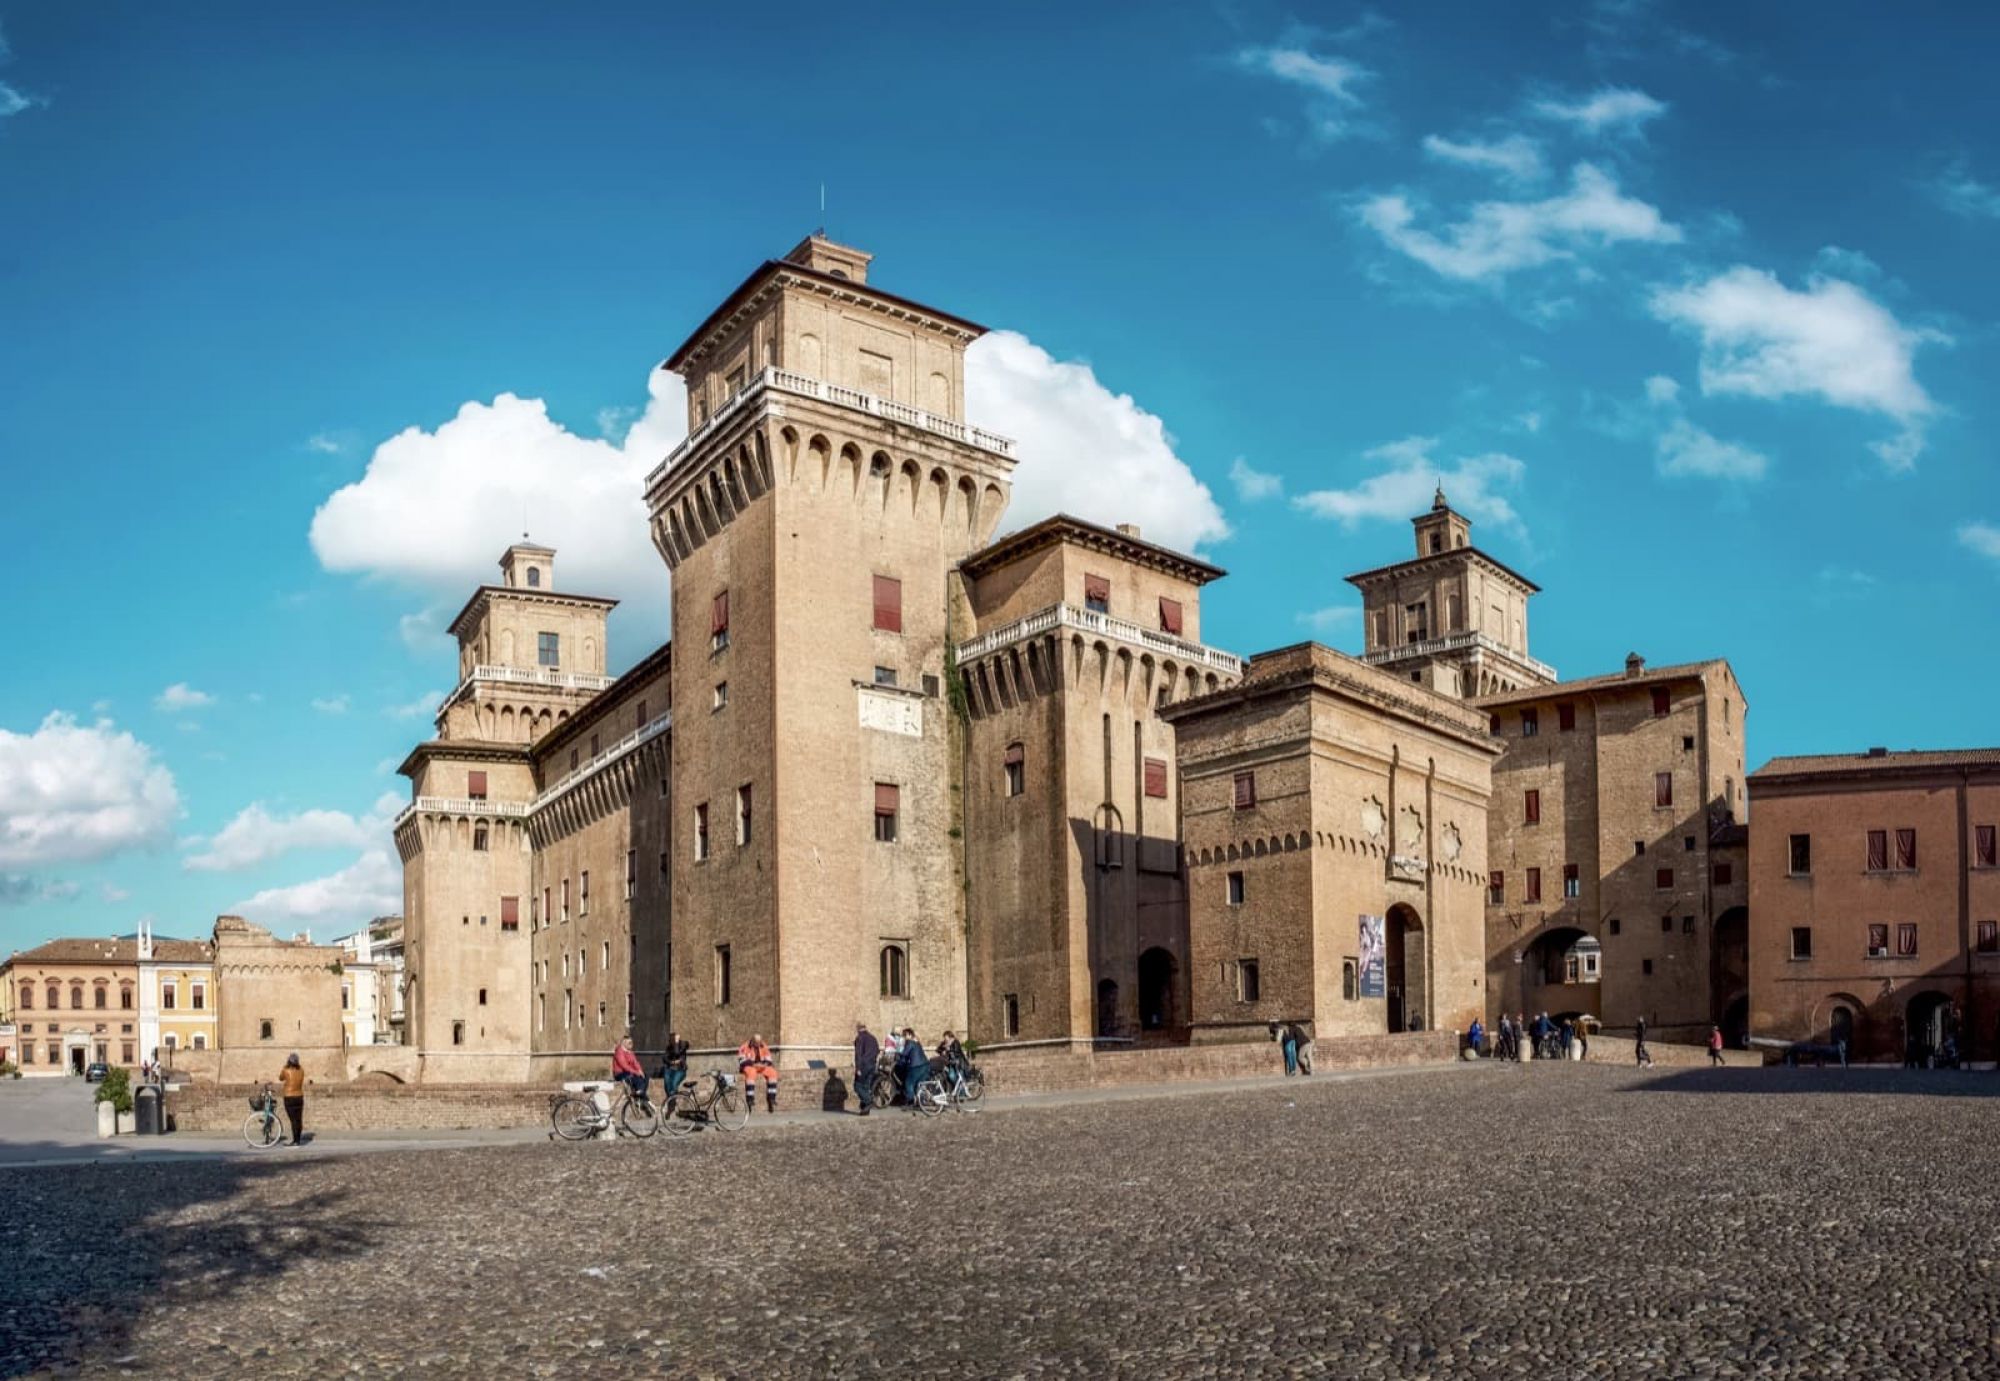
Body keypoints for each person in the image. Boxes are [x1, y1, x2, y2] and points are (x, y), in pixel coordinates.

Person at [738, 1034, 778, 1114]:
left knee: (773, 1073)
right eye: (756, 1042)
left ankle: (772, 1097)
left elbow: (769, 1059)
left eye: (759, 1042)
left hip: (761, 1066)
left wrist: (764, 1064)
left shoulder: (763, 1046)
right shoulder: (744, 1047)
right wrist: (753, 1064)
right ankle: (750, 1098)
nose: (758, 1044)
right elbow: (741, 1061)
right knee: (751, 1073)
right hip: (749, 1066)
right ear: (752, 1041)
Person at [897, 1027, 930, 1111]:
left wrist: (898, 1055)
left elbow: (905, 1053)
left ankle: (911, 1102)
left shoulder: (909, 1042)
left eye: (904, 1035)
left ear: (909, 1035)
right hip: (925, 1065)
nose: (904, 1038)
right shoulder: (917, 1042)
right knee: (919, 1084)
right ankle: (921, 1102)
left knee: (909, 1083)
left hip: (916, 1066)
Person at [278, 1052, 307, 1147]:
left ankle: (295, 1141)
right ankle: (298, 1140)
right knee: (299, 1119)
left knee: (293, 1120)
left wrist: (284, 1067)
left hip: (289, 1097)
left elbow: (281, 1078)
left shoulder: (286, 1070)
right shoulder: (301, 1070)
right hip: (299, 1096)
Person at [612, 1035, 648, 1102]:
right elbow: (624, 1066)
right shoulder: (619, 1052)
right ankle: (641, 1094)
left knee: (645, 1076)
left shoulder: (630, 1052)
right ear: (624, 1043)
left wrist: (640, 1070)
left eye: (632, 1042)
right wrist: (636, 1072)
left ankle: (641, 1093)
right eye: (629, 1043)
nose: (631, 1044)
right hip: (620, 1073)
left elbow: (635, 1062)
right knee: (633, 1076)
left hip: (629, 1072)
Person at [853, 1023, 880, 1116]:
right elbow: (877, 1051)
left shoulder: (860, 1038)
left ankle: (868, 1101)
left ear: (858, 1029)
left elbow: (858, 1055)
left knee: (857, 1086)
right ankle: (865, 1109)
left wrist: (858, 1068)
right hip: (872, 1065)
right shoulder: (873, 1038)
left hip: (864, 1066)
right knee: (866, 1086)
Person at [660, 1032, 690, 1100]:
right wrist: (672, 1062)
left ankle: (672, 1097)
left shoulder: (682, 1044)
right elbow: (664, 1058)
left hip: (680, 1069)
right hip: (670, 1069)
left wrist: (677, 1043)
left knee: (674, 1084)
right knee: (667, 1085)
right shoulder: (669, 1047)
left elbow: (684, 1047)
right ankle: (670, 1098)